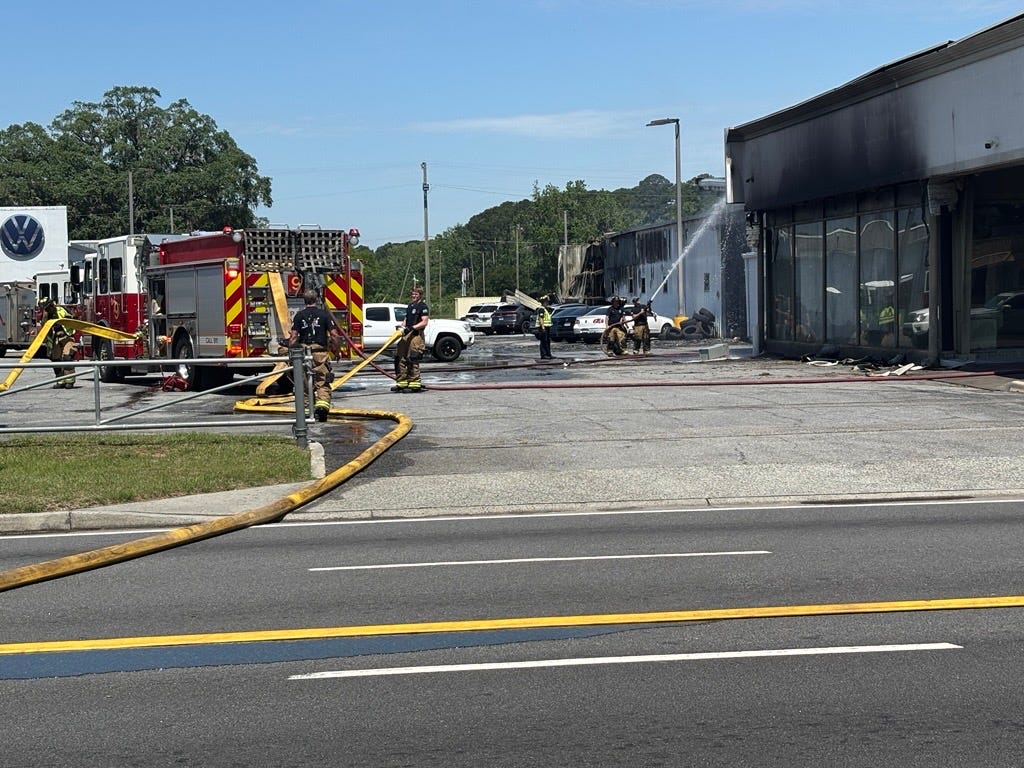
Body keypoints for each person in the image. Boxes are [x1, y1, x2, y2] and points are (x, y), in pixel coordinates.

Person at [285, 289, 342, 422]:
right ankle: (322, 408)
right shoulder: (324, 315)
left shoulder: (299, 316)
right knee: (323, 381)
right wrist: (337, 351)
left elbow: (293, 337)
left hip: (304, 353)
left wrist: (290, 354)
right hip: (320, 353)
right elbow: (334, 335)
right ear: (316, 300)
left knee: (304, 383)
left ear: (304, 301)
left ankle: (305, 412)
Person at [393, 285, 430, 393]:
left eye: (416, 294)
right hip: (406, 334)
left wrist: (411, 328)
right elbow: (406, 318)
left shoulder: (422, 306)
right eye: (413, 294)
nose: (414, 295)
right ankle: (402, 382)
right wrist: (402, 327)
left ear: (420, 295)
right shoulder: (410, 306)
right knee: (400, 357)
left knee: (413, 358)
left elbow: (424, 321)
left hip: (415, 335)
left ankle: (415, 383)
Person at [39, 297, 77, 388]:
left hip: (67, 337)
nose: (49, 309)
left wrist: (69, 318)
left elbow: (74, 317)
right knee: (55, 359)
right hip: (55, 339)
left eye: (50, 306)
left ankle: (69, 381)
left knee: (67, 357)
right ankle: (60, 380)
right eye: (46, 308)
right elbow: (44, 327)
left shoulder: (62, 309)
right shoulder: (46, 316)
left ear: (53, 304)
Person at [536, 295, 553, 359]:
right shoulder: (541, 309)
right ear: (543, 302)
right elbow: (541, 319)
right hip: (542, 327)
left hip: (547, 327)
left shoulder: (545, 309)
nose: (547, 303)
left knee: (547, 341)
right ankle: (544, 355)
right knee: (543, 341)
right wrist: (543, 327)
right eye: (546, 302)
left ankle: (548, 354)